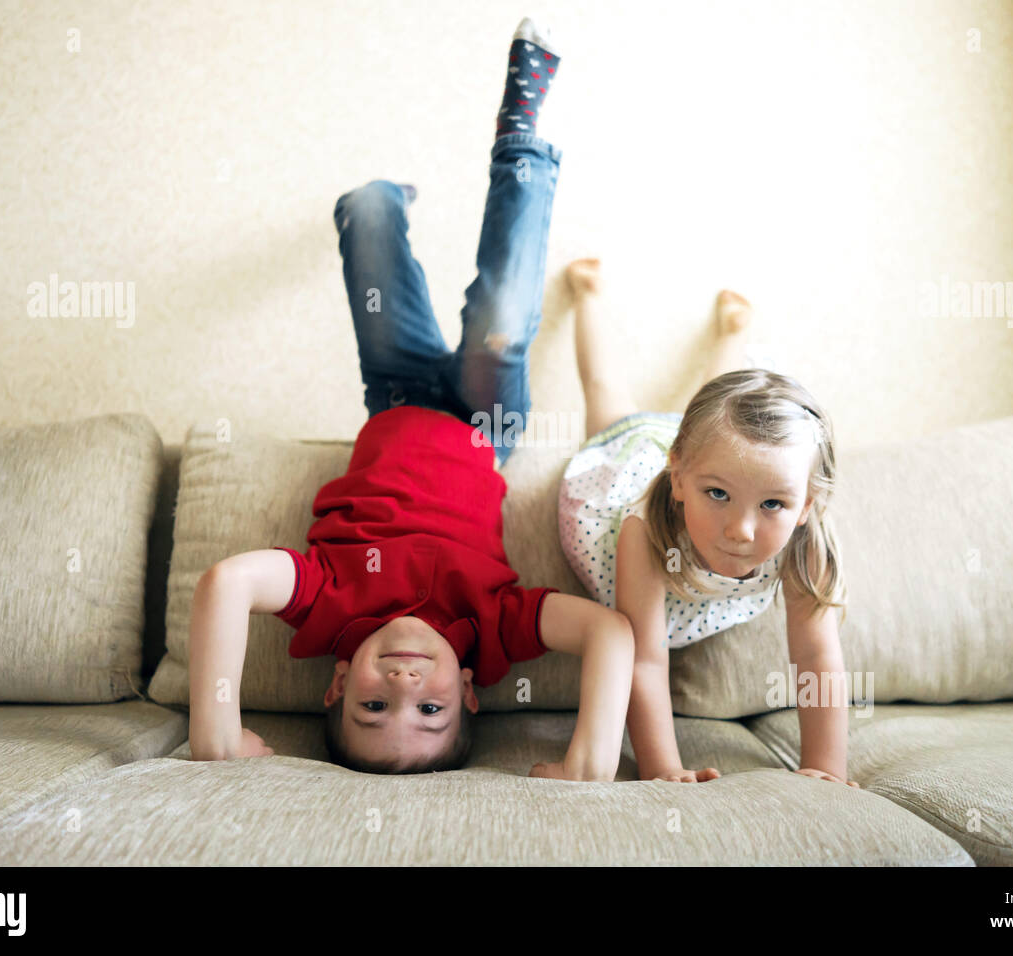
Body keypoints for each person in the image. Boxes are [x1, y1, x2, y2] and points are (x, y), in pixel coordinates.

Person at [187, 19, 637, 779]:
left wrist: (216, 734)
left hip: (393, 398)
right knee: (498, 330)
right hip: (480, 421)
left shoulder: (327, 603)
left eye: (372, 707)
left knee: (362, 208)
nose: (403, 687)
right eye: (431, 710)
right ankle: (522, 130)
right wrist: (589, 762)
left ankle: (385, 202)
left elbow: (226, 583)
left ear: (335, 684)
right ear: (469, 689)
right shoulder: (490, 630)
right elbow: (614, 635)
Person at [558, 258, 860, 787]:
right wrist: (662, 769)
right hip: (628, 464)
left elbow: (817, 657)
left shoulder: (806, 539)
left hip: (705, 450)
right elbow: (646, 660)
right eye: (717, 495)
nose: (741, 530)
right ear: (678, 480)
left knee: (719, 413)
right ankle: (587, 295)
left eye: (773, 505)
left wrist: (825, 769)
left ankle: (732, 331)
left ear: (807, 505)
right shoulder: (643, 532)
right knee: (606, 393)